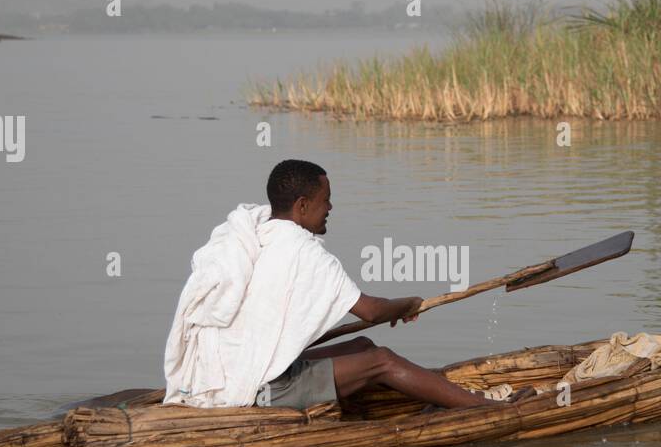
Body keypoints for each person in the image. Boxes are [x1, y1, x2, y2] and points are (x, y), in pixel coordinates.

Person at [163, 159, 506, 411]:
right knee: (382, 359)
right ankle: (490, 408)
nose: (330, 208)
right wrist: (407, 304)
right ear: (302, 206)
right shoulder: (304, 251)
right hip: (258, 388)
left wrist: (399, 307)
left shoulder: (258, 233)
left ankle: (369, 409)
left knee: (361, 344)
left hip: (236, 368)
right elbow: (371, 310)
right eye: (325, 199)